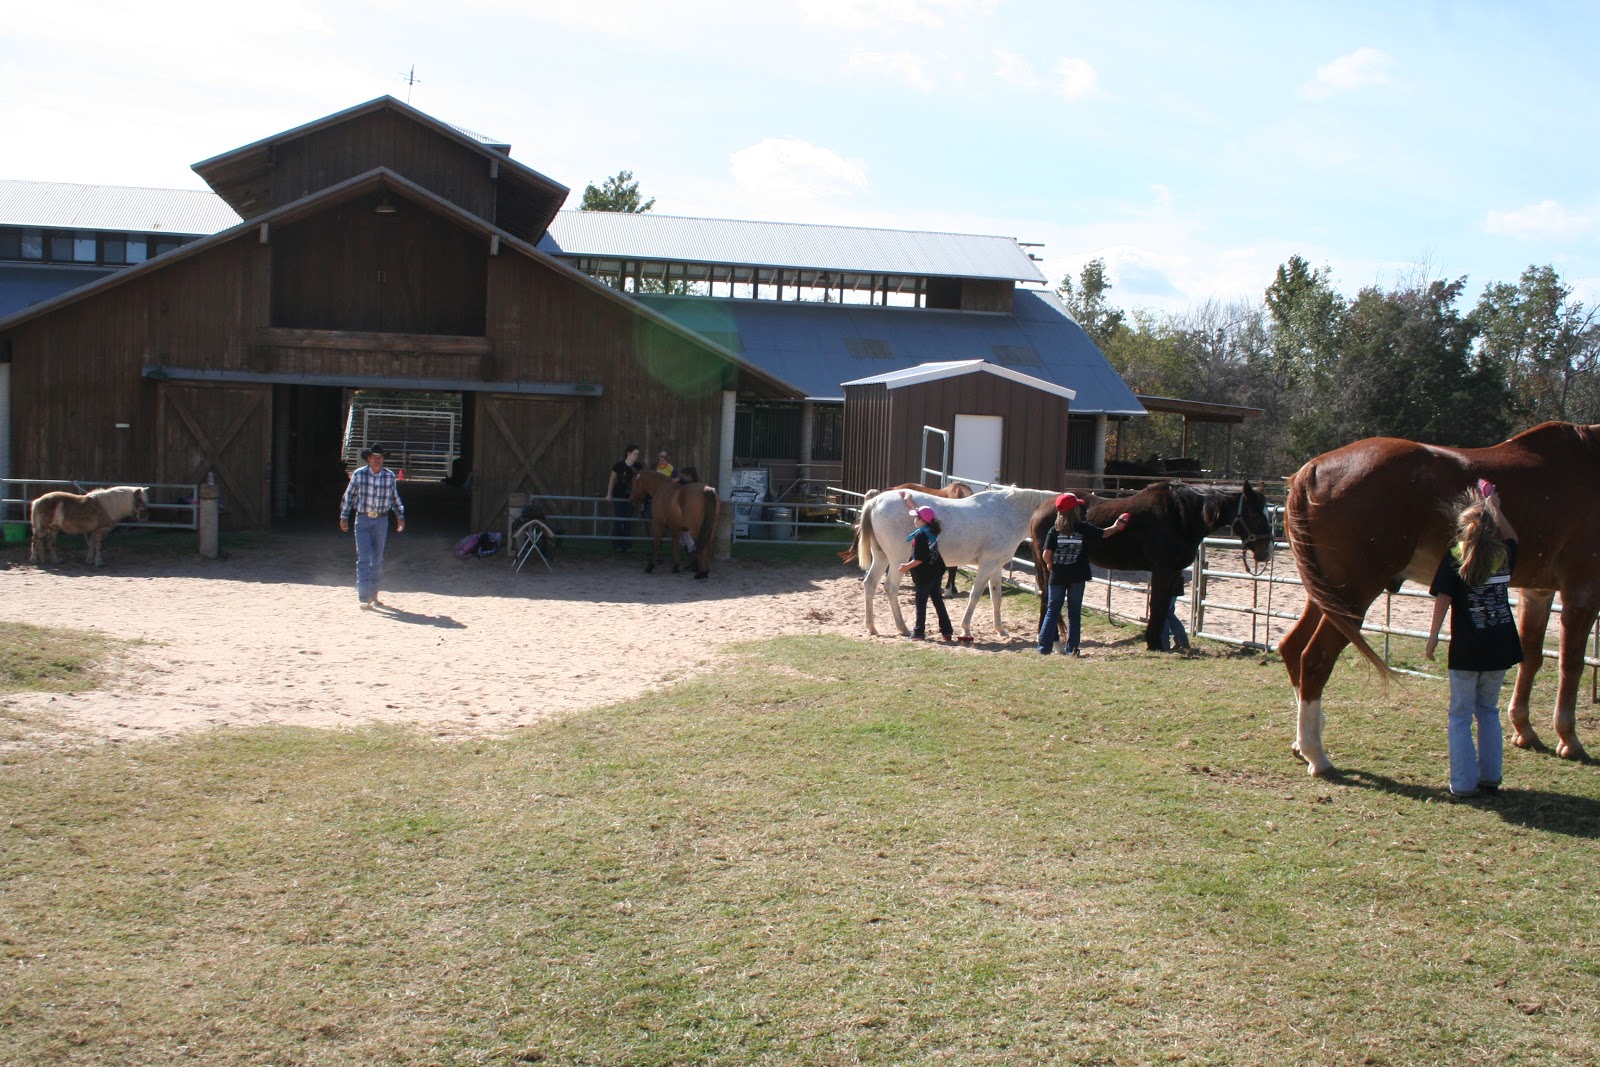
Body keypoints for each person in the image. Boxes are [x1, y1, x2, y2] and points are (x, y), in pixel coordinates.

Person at [1424, 481, 1521, 798]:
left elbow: (1443, 600)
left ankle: (1463, 784)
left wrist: (1433, 638)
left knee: (1460, 716)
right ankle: (1490, 776)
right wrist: (1496, 507)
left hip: (1467, 650)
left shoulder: (1456, 556)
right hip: (1500, 646)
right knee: (1489, 711)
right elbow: (1513, 537)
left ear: (1463, 529)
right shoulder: (1503, 555)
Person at [1038, 492, 1129, 656]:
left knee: (1052, 610)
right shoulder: (1084, 528)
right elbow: (1105, 533)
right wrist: (1117, 525)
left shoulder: (1054, 531)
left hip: (1057, 576)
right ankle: (1072, 648)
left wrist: (1050, 564)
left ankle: (1044, 647)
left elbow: (1046, 555)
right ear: (1075, 510)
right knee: (1074, 613)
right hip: (1077, 576)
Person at [339, 444, 405, 609]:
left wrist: (400, 516)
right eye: (374, 457)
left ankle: (373, 595)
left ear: (383, 459)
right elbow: (349, 496)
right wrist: (344, 516)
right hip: (363, 518)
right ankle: (363, 597)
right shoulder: (359, 474)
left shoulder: (389, 476)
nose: (377, 460)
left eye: (380, 457)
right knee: (364, 558)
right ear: (368, 458)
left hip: (381, 520)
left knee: (377, 559)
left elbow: (394, 497)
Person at [896, 499, 953, 641]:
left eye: (917, 518)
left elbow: (920, 558)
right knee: (938, 601)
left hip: (924, 574)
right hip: (935, 571)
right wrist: (910, 502)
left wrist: (906, 567)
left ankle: (919, 632)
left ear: (922, 521)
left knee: (921, 603)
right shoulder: (931, 531)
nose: (914, 520)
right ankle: (947, 630)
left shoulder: (920, 535)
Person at [605, 444, 642, 552]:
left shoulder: (639, 467)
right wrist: (609, 494)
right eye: (635, 454)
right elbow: (612, 479)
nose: (636, 456)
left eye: (637, 454)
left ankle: (627, 545)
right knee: (618, 519)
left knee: (628, 520)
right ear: (628, 453)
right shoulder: (619, 465)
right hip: (618, 495)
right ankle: (617, 545)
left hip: (631, 497)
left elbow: (641, 482)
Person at [1159, 569, 1192, 652]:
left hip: (1167, 584)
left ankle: (1164, 645)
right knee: (1169, 615)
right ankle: (1182, 642)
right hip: (1173, 583)